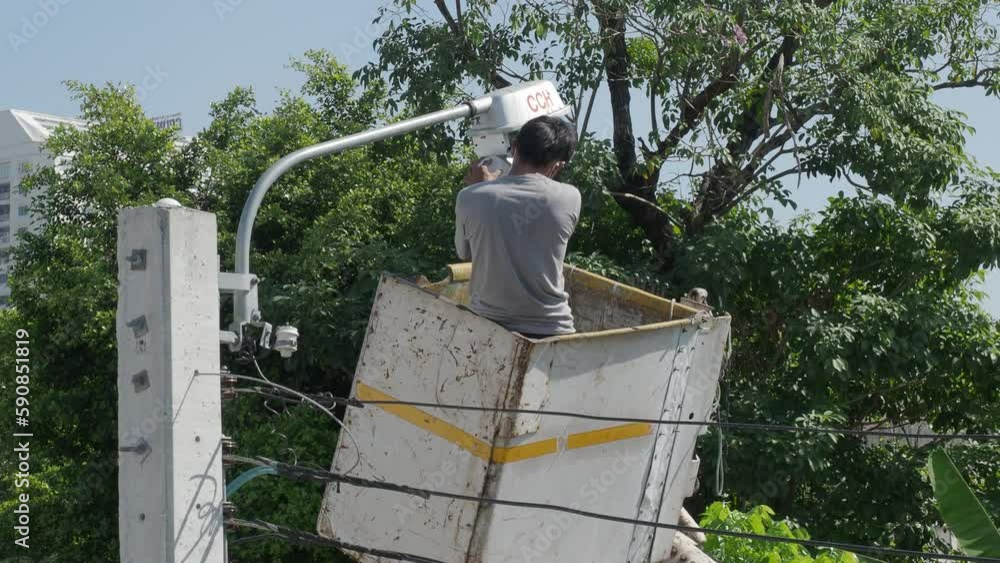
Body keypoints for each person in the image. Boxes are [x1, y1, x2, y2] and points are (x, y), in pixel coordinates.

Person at [454, 115, 581, 338]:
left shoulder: (470, 197)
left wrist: (484, 189)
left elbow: (465, 254)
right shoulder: (570, 197)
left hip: (489, 327)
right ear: (559, 165)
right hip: (553, 330)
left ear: (514, 147)